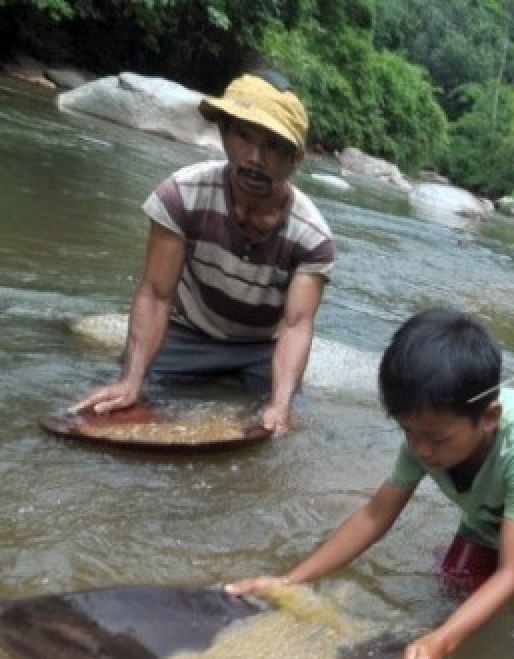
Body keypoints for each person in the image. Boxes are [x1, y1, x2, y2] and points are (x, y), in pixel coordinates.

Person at [227, 309, 514, 659]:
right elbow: (375, 515)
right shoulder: (429, 436)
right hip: (486, 510)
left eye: (436, 440)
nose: (422, 451)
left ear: (489, 418)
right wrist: (290, 581)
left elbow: (511, 573)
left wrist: (443, 641)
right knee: (453, 587)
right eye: (408, 433)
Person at [73, 70, 335, 433]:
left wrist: (280, 403)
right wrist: (132, 379)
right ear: (224, 134)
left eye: (273, 146)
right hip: (188, 333)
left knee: (285, 427)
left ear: (295, 161)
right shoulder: (181, 195)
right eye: (244, 136)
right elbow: (155, 292)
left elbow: (296, 325)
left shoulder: (312, 236)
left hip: (261, 348)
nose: (255, 157)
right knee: (110, 400)